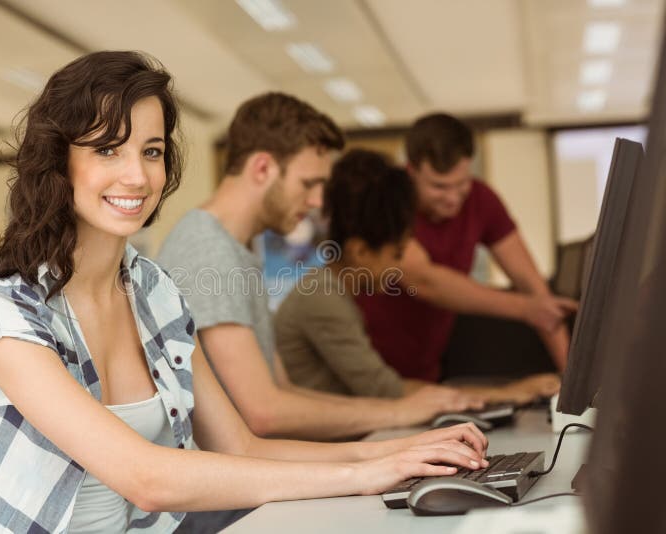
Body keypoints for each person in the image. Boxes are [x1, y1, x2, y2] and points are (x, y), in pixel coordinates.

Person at [0, 52, 489, 534]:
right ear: (58, 161)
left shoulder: (152, 293)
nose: (138, 177)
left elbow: (241, 446)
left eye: (150, 151)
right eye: (107, 150)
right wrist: (363, 477)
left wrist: (400, 453)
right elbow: (146, 478)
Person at [158, 92, 485, 446]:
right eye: (309, 184)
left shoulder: (236, 251)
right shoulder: (210, 252)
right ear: (263, 168)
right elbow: (264, 412)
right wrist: (399, 412)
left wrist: (407, 408)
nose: (317, 202)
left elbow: (283, 390)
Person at [275, 149, 560, 404]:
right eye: (397, 253)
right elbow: (387, 392)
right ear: (360, 252)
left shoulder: (334, 294)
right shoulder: (324, 300)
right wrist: (507, 394)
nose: (400, 268)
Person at [355, 114, 577, 383]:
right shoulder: (388, 200)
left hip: (426, 372)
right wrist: (526, 308)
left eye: (462, 183)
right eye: (439, 186)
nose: (452, 198)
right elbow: (424, 280)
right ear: (411, 171)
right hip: (367, 367)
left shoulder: (481, 199)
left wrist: (572, 378)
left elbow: (535, 291)